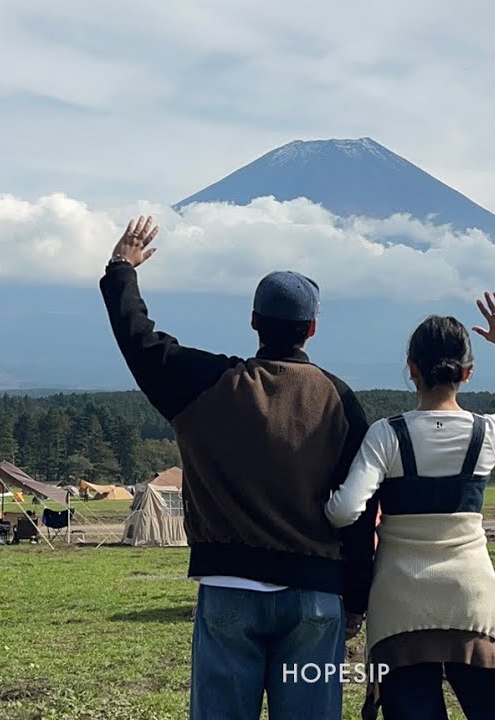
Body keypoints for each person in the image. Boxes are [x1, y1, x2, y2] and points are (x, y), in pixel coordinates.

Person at [99, 216, 375, 720]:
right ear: (311, 329)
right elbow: (360, 509)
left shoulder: (207, 385)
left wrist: (122, 269)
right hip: (316, 595)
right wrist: (356, 598)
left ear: (253, 321)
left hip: (228, 589)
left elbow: (138, 340)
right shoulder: (340, 401)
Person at [326, 294, 495, 720]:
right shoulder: (488, 432)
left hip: (399, 603)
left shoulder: (386, 435)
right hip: (471, 600)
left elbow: (345, 511)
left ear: (411, 368)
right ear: (467, 373)